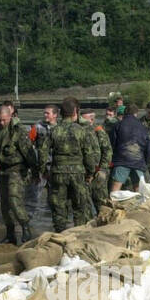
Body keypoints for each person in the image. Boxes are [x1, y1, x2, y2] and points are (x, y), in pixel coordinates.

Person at [40, 97, 98, 232]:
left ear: (60, 113)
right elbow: (89, 155)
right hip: (78, 174)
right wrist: (90, 173)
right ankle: (78, 236)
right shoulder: (81, 130)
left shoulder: (54, 130)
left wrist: (44, 171)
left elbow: (43, 152)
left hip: (58, 173)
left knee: (59, 207)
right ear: (75, 112)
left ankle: (60, 235)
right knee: (79, 208)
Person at [0, 100, 35, 244]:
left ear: (10, 116)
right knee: (5, 204)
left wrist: (35, 171)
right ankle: (10, 233)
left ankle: (26, 228)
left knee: (14, 200)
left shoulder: (18, 130)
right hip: (3, 169)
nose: (2, 123)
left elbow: (28, 153)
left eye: (4, 120)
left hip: (17, 168)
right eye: (0, 120)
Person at [111, 104, 150, 193]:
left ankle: (112, 203)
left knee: (116, 186)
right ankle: (139, 206)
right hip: (138, 161)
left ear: (125, 113)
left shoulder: (118, 125)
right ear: (136, 113)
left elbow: (112, 143)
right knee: (138, 187)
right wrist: (145, 162)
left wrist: (114, 158)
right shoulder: (142, 127)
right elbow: (148, 147)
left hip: (122, 160)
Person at [82, 109, 112, 215]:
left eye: (83, 118)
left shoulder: (98, 130)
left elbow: (107, 150)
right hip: (84, 173)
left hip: (98, 173)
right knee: (84, 204)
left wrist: (103, 169)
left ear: (91, 119)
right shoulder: (80, 130)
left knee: (101, 203)